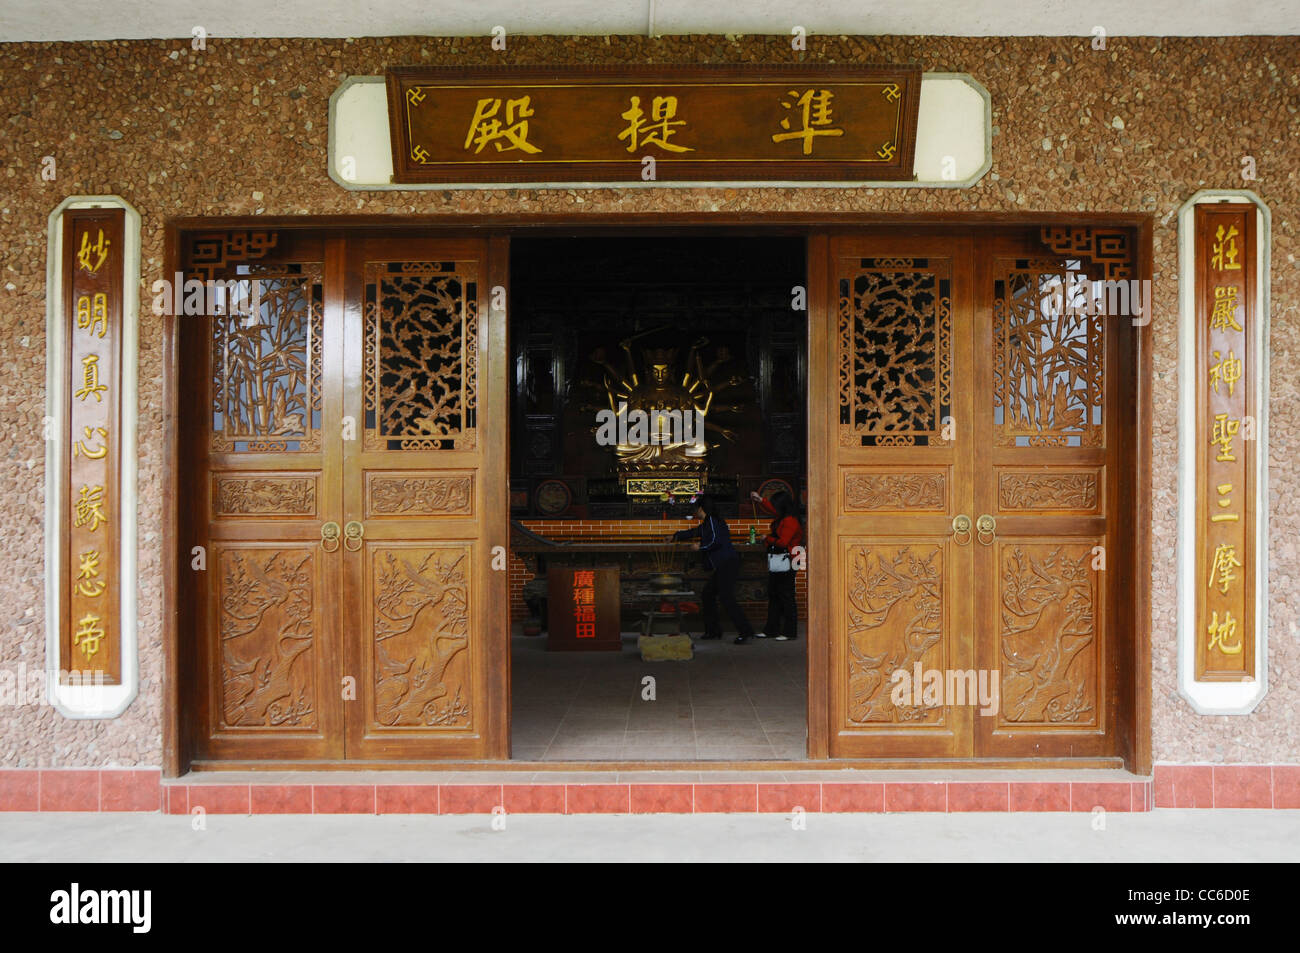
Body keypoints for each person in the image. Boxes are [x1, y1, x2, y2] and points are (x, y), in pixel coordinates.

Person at [671, 496, 756, 644]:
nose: (695, 511)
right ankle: (713, 631)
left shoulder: (711, 520)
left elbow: (715, 540)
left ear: (701, 509)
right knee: (708, 594)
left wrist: (700, 547)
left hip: (727, 563)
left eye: (696, 508)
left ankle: (745, 631)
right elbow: (694, 532)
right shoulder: (707, 523)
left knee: (726, 598)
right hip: (724, 564)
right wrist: (675, 536)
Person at [749, 490, 803, 641]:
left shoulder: (790, 521)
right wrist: (760, 500)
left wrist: (767, 538)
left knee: (786, 596)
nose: (774, 508)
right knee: (774, 594)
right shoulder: (785, 516)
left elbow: (783, 542)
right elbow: (772, 508)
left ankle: (789, 632)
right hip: (782, 560)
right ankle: (772, 630)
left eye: (775, 505)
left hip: (789, 560)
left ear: (781, 506)